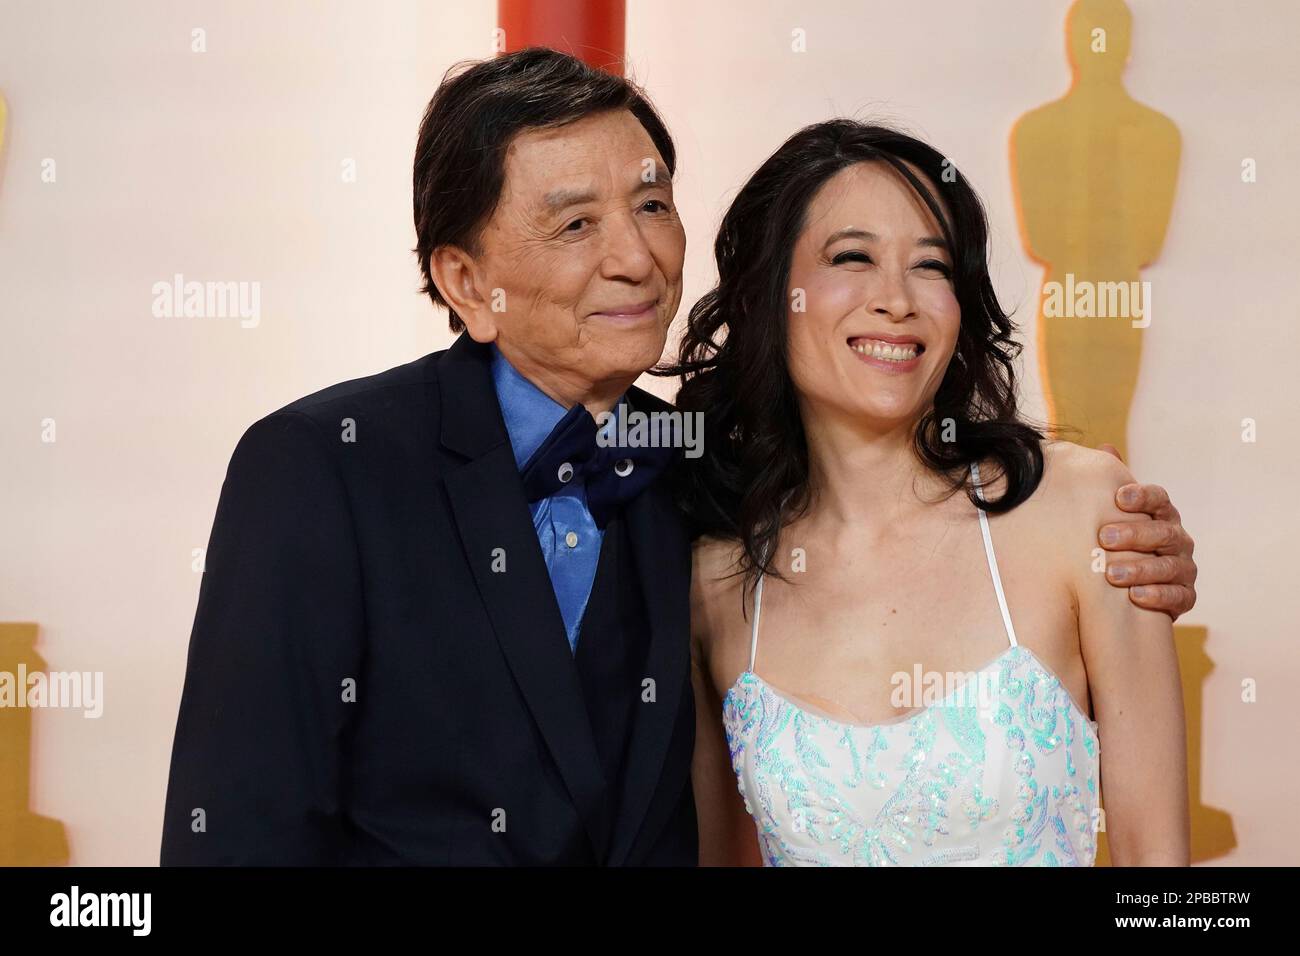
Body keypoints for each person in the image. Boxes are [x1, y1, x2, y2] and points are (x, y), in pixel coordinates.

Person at [161, 49, 1195, 866]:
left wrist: (1139, 550)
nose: (639, 254)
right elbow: (237, 834)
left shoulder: (703, 475)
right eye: (576, 223)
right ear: (468, 282)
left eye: (651, 203)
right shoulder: (322, 469)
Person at [680, 120, 1190, 866]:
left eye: (932, 267)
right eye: (852, 257)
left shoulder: (1085, 512)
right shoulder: (715, 581)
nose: (897, 300)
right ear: (765, 297)